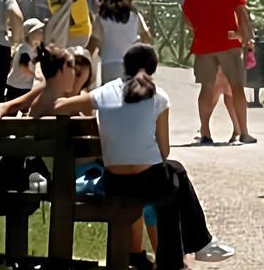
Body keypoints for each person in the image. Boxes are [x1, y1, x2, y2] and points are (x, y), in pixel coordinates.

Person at [54, 43, 234, 268]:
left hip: (114, 183)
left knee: (172, 182)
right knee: (173, 178)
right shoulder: (159, 96)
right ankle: (196, 247)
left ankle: (197, 247)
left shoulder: (105, 91)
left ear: (124, 66)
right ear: (153, 69)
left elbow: (60, 105)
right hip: (148, 183)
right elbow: (164, 151)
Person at [182, 0, 255, 145]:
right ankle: (244, 132)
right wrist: (246, 37)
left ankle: (205, 133)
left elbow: (186, 19)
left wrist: (199, 29)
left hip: (204, 43)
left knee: (207, 87)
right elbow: (241, 11)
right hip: (229, 42)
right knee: (237, 86)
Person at [92, 0, 153, 84]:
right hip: (132, 65)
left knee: (110, 98)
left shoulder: (101, 18)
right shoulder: (134, 15)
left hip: (109, 64)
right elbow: (147, 38)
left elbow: (92, 44)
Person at [5, 16, 45, 102]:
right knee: (13, 110)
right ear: (31, 34)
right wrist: (37, 76)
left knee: (24, 108)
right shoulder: (24, 50)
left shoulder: (33, 48)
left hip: (24, 85)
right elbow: (23, 67)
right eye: (38, 31)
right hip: (18, 85)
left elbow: (33, 60)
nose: (42, 32)